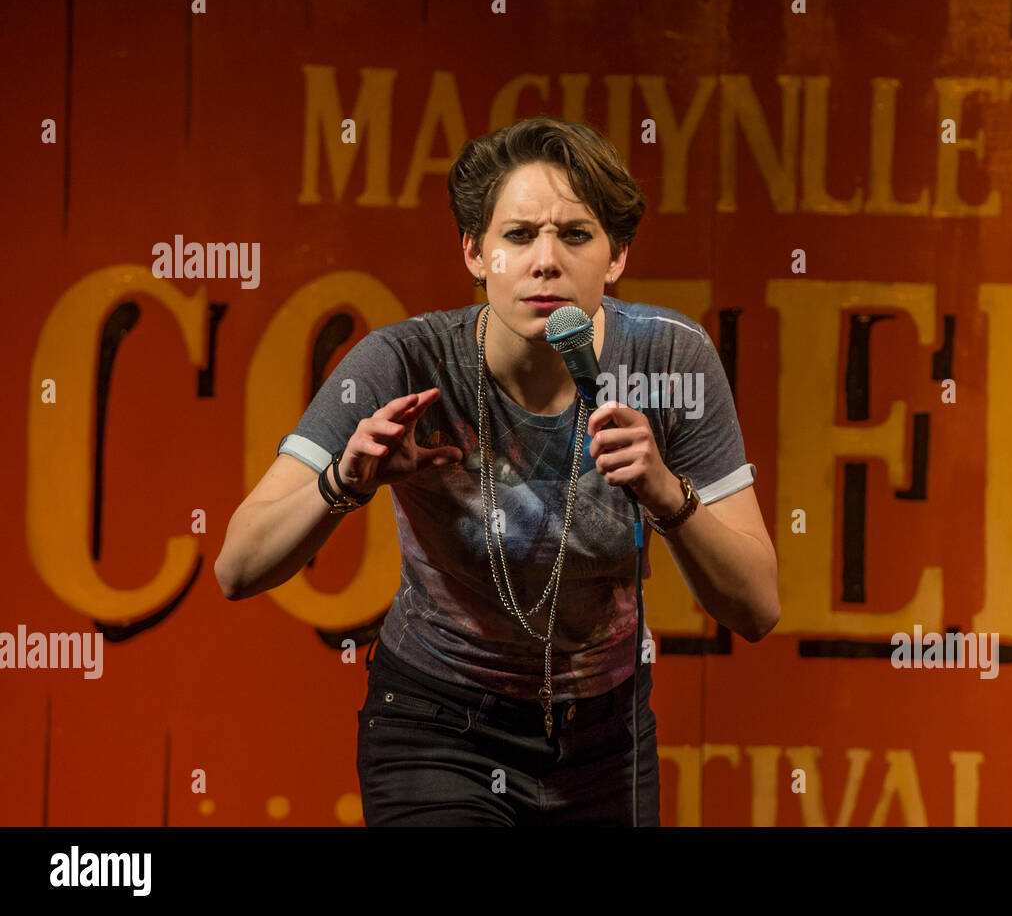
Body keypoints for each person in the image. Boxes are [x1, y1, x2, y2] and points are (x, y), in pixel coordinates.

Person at [213, 115, 780, 826]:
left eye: (575, 236)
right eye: (518, 236)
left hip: (606, 739)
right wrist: (344, 485)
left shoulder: (668, 361)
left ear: (617, 256)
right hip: (438, 725)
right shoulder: (404, 363)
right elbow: (237, 566)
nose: (547, 261)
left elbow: (758, 606)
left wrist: (669, 497)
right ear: (475, 254)